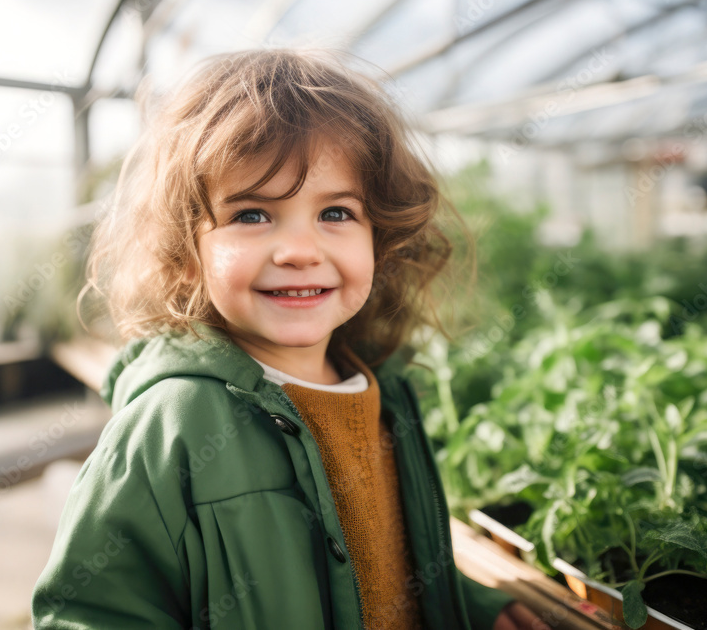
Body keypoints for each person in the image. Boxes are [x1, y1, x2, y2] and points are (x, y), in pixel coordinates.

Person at [31, 48, 542, 630]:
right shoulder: (173, 425)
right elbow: (91, 614)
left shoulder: (380, 392)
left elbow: (389, 572)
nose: (300, 250)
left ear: (380, 237)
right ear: (186, 255)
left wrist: (475, 610)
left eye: (337, 213)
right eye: (252, 215)